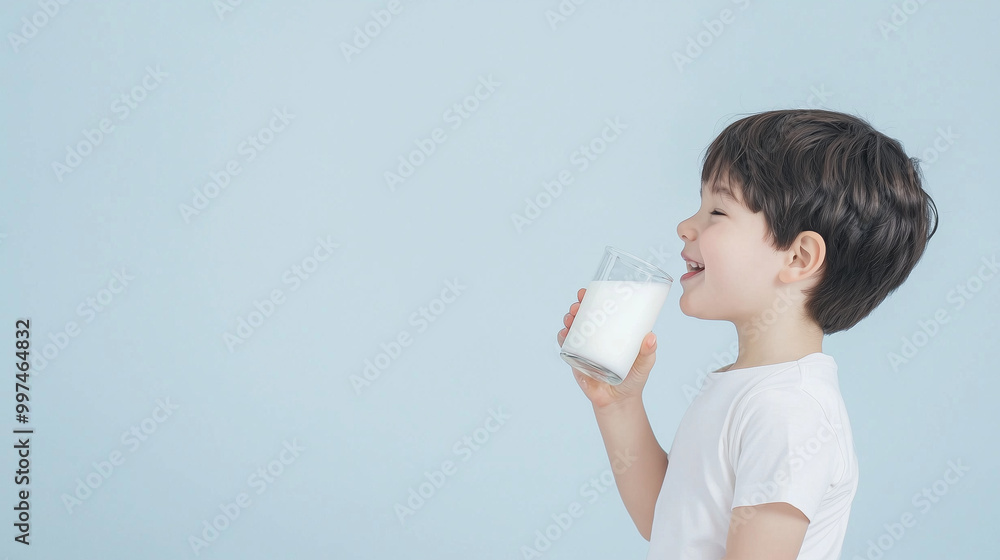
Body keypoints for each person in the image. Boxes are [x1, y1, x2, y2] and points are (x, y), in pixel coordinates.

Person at [556, 109, 938, 559]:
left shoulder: (788, 411)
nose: (686, 226)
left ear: (798, 257)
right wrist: (619, 404)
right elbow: (669, 524)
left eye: (717, 210)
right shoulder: (752, 391)